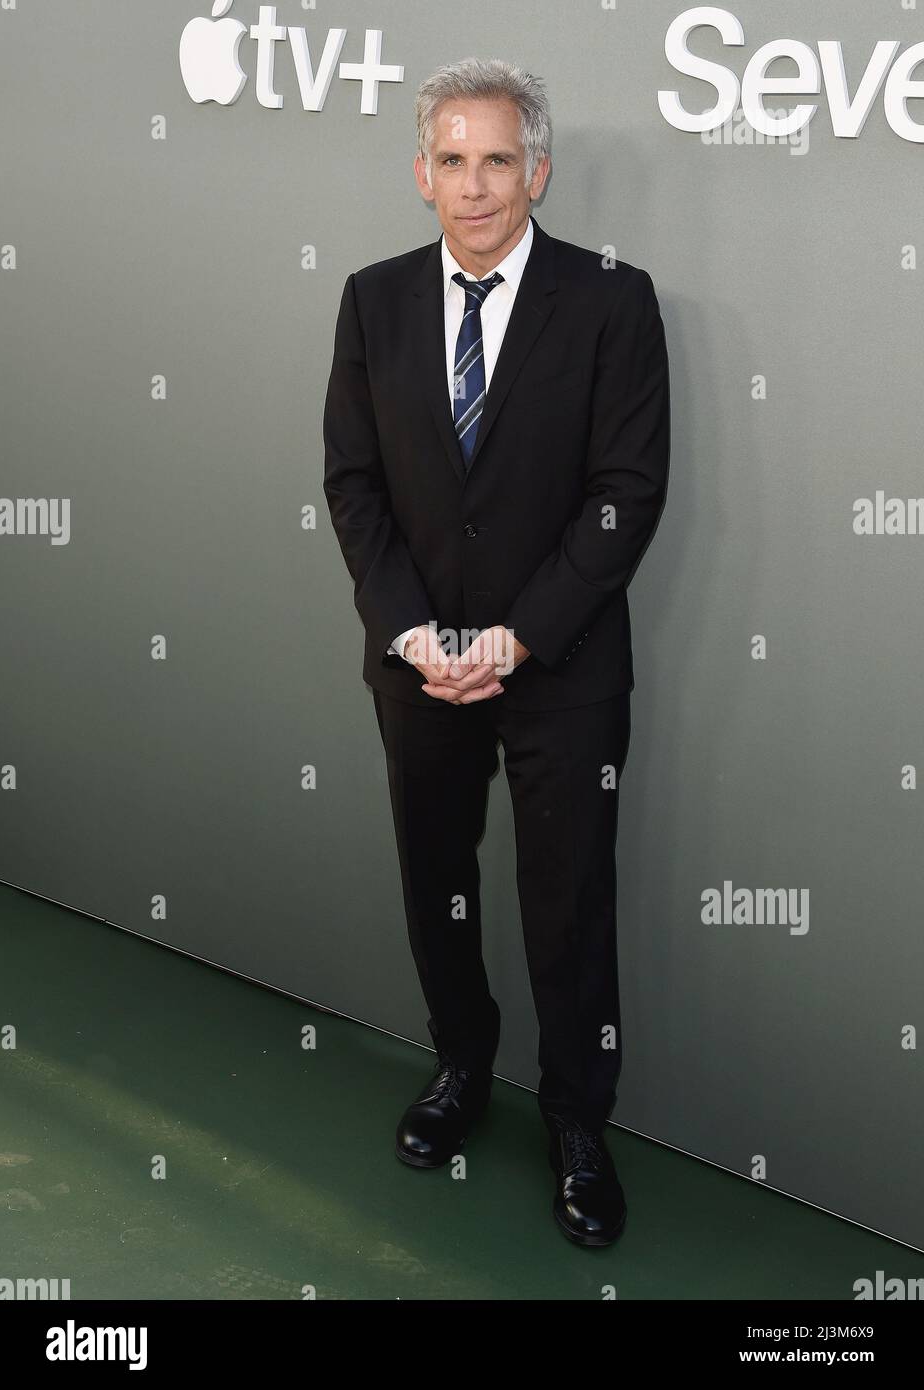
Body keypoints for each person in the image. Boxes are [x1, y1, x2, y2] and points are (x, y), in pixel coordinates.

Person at [322, 56, 670, 1247]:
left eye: (499, 160)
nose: (475, 186)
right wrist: (415, 632)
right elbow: (354, 485)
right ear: (421, 174)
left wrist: (516, 637)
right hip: (419, 666)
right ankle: (461, 1070)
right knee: (440, 878)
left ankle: (577, 1121)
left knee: (568, 900)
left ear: (540, 169)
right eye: (453, 161)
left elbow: (626, 494)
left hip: (563, 668)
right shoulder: (371, 300)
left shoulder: (614, 301)